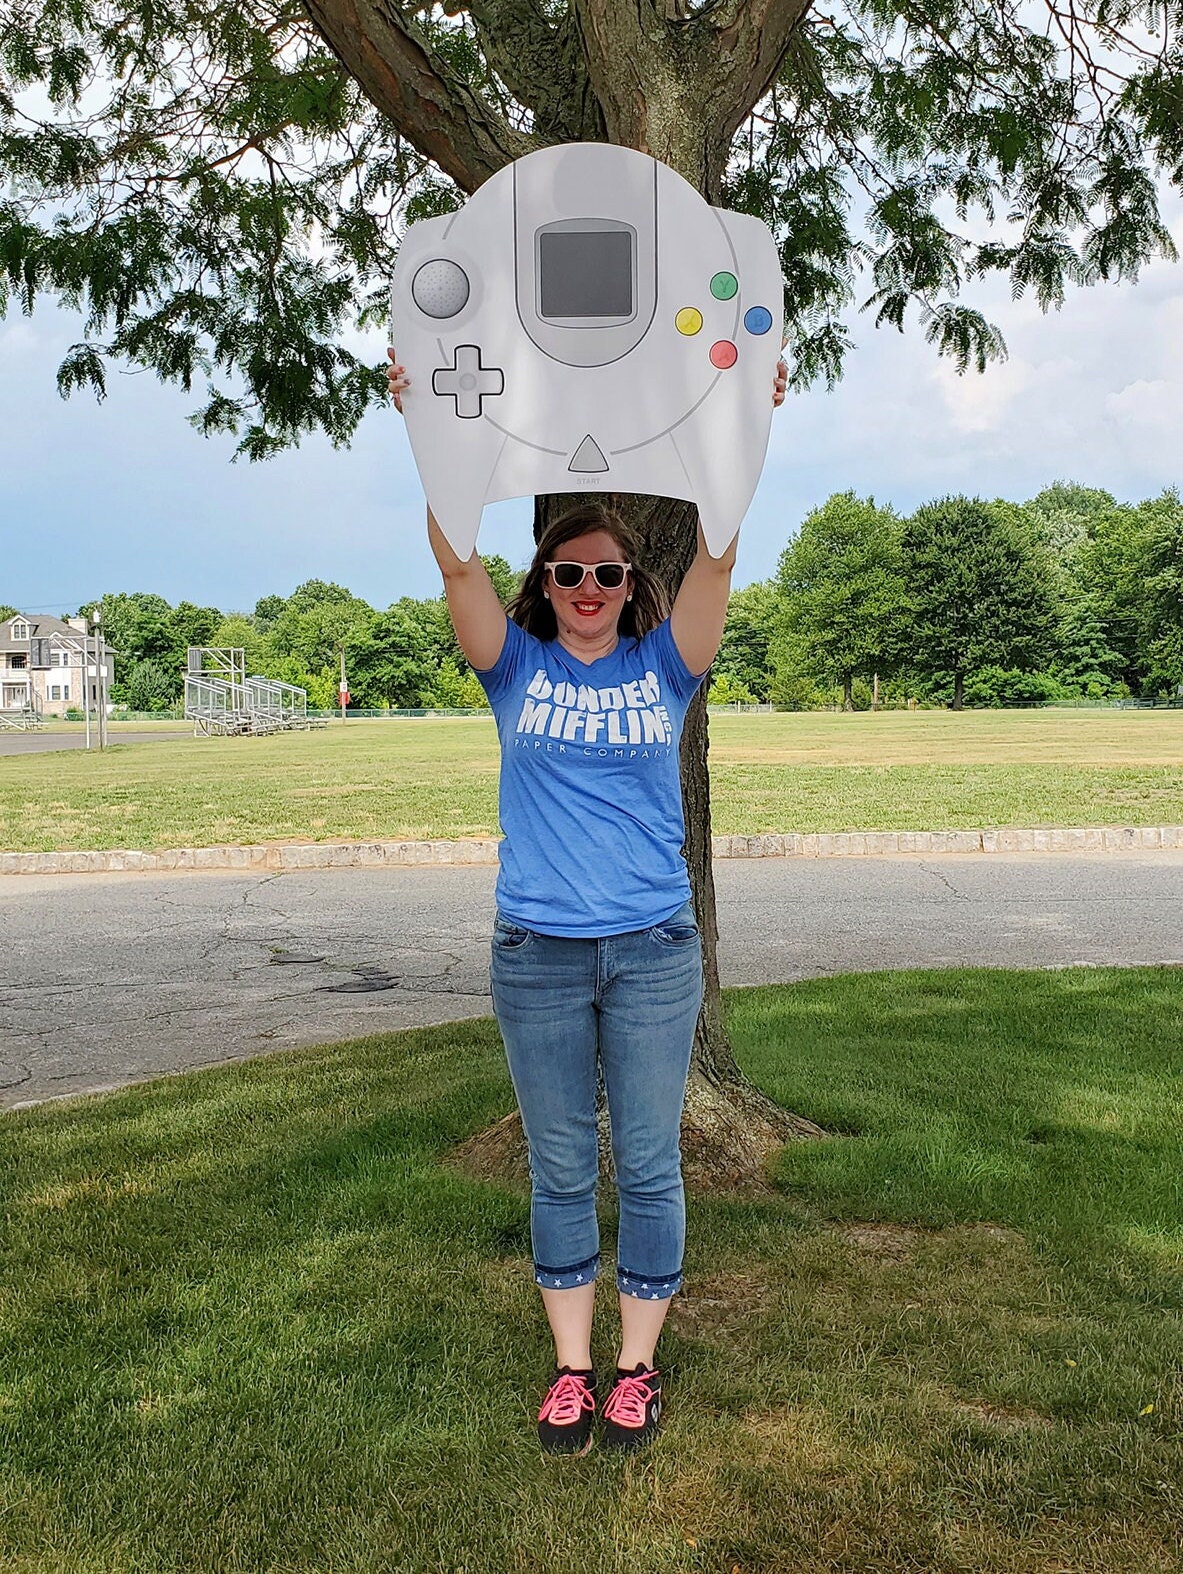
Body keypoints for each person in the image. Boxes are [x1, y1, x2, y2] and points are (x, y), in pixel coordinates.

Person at [388, 345, 787, 1455]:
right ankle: (571, 1369)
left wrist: (743, 424)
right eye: (569, 574)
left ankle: (636, 1369)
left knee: (649, 1160)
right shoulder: (513, 670)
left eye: (607, 574)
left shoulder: (666, 669)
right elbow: (458, 568)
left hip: (656, 950)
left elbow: (716, 559)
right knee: (562, 1163)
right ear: (547, 585)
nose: (589, 590)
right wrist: (431, 439)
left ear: (629, 586)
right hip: (541, 955)